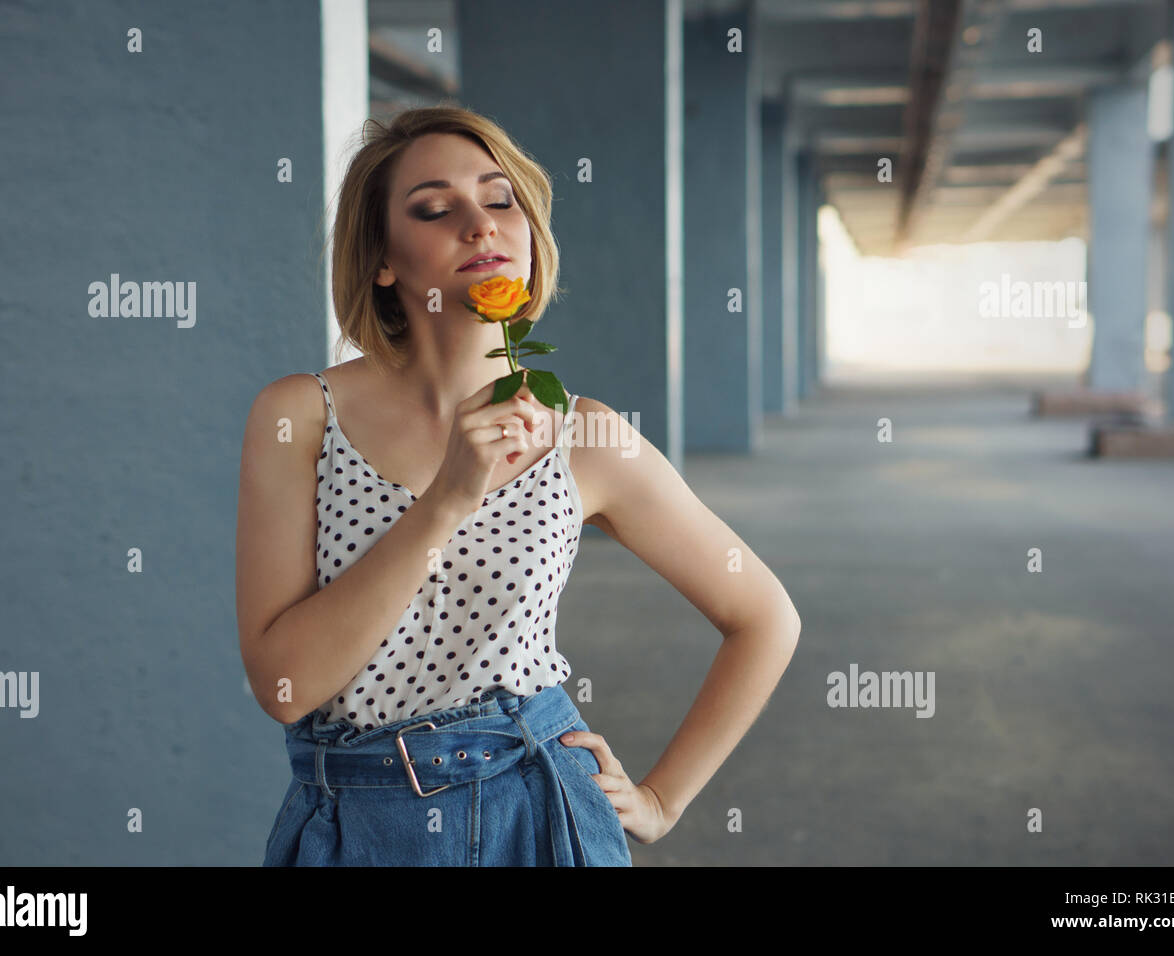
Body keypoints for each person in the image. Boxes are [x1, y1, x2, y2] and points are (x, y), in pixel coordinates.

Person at [235, 106, 801, 866]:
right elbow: (283, 687)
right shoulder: (301, 415)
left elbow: (765, 616)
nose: (480, 224)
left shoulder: (586, 437)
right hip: (350, 825)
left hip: (538, 815)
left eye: (501, 200)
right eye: (435, 208)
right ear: (382, 260)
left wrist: (662, 799)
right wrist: (445, 503)